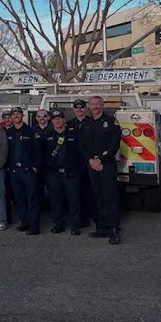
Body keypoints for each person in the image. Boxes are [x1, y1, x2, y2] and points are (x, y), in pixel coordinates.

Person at [77, 96, 122, 245]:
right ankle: (101, 228)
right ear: (88, 106)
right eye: (92, 104)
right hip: (92, 165)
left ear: (102, 105)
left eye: (98, 104)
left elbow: (114, 145)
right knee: (97, 197)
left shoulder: (111, 123)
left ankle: (114, 230)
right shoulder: (86, 124)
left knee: (110, 198)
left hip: (106, 165)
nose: (95, 107)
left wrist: (100, 160)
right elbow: (81, 146)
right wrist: (90, 160)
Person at [42, 109, 82, 235]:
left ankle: (75, 226)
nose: (57, 121)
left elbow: (81, 153)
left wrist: (78, 170)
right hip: (53, 175)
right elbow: (42, 155)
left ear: (64, 120)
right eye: (54, 119)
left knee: (74, 201)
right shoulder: (47, 135)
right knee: (55, 201)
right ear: (51, 121)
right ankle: (58, 224)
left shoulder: (73, 133)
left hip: (71, 174)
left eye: (59, 118)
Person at [5, 107, 42, 236]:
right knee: (19, 199)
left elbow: (38, 152)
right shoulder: (8, 132)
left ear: (22, 115)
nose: (16, 116)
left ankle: (34, 226)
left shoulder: (31, 131)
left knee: (32, 199)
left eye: (18, 114)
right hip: (14, 171)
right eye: (13, 114)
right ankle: (24, 222)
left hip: (28, 171)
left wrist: (35, 167)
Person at [69, 98, 95, 228]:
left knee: (89, 192)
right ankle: (76, 218)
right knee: (75, 193)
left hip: (89, 162)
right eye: (76, 107)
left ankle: (88, 218)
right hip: (74, 163)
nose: (79, 110)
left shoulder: (92, 123)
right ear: (73, 110)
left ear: (86, 109)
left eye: (81, 107)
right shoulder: (69, 124)